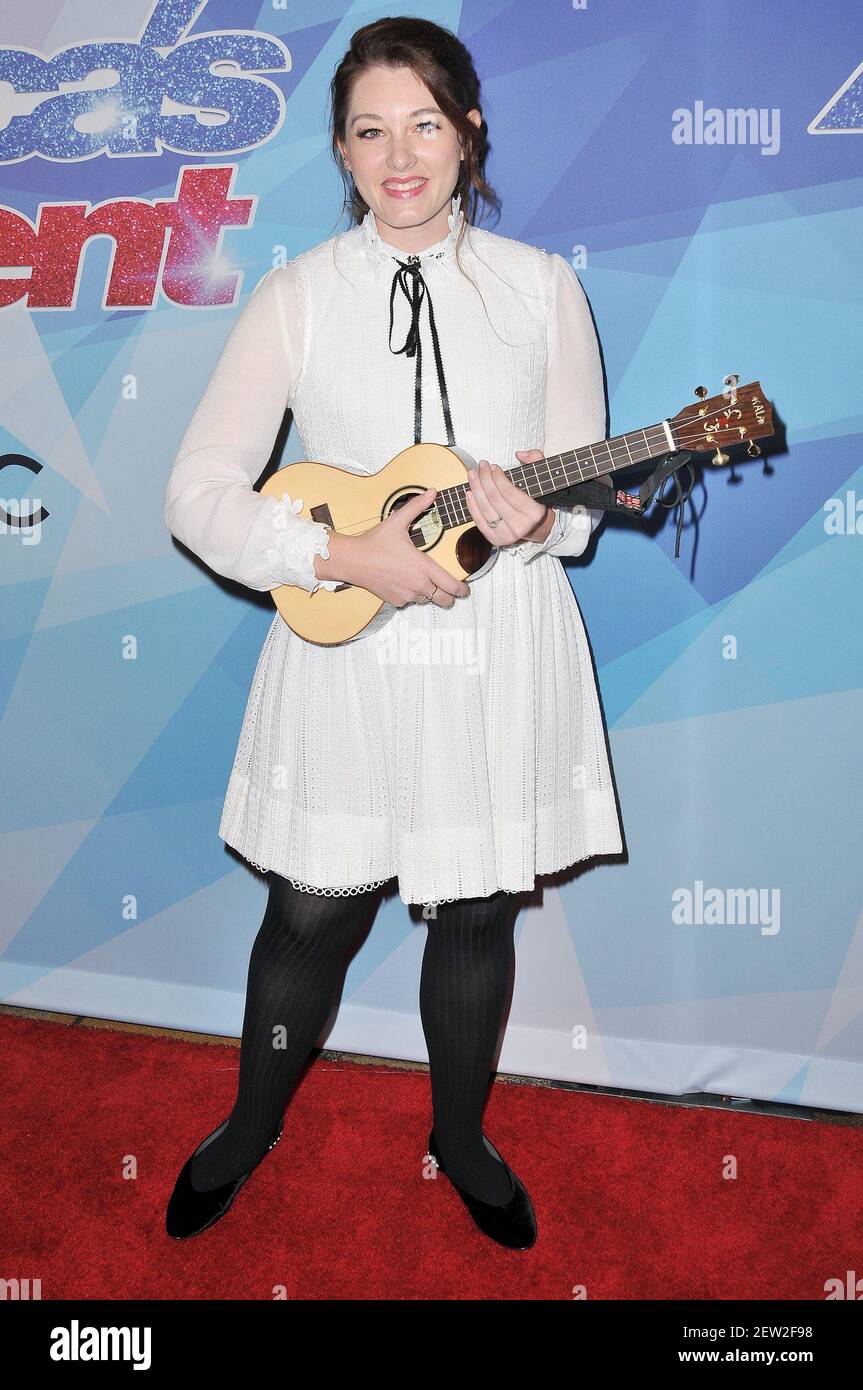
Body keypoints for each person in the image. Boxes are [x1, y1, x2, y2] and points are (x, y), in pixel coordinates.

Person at [163, 16, 622, 1251]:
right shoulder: (297, 294)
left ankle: (459, 1136)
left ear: (469, 131)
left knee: (475, 914)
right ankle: (250, 1123)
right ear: (341, 150)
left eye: (425, 121)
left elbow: (573, 507)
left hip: (493, 645)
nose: (400, 154)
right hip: (344, 652)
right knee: (308, 914)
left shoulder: (540, 288)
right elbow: (197, 492)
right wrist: (333, 552)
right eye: (371, 129)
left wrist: (533, 515)